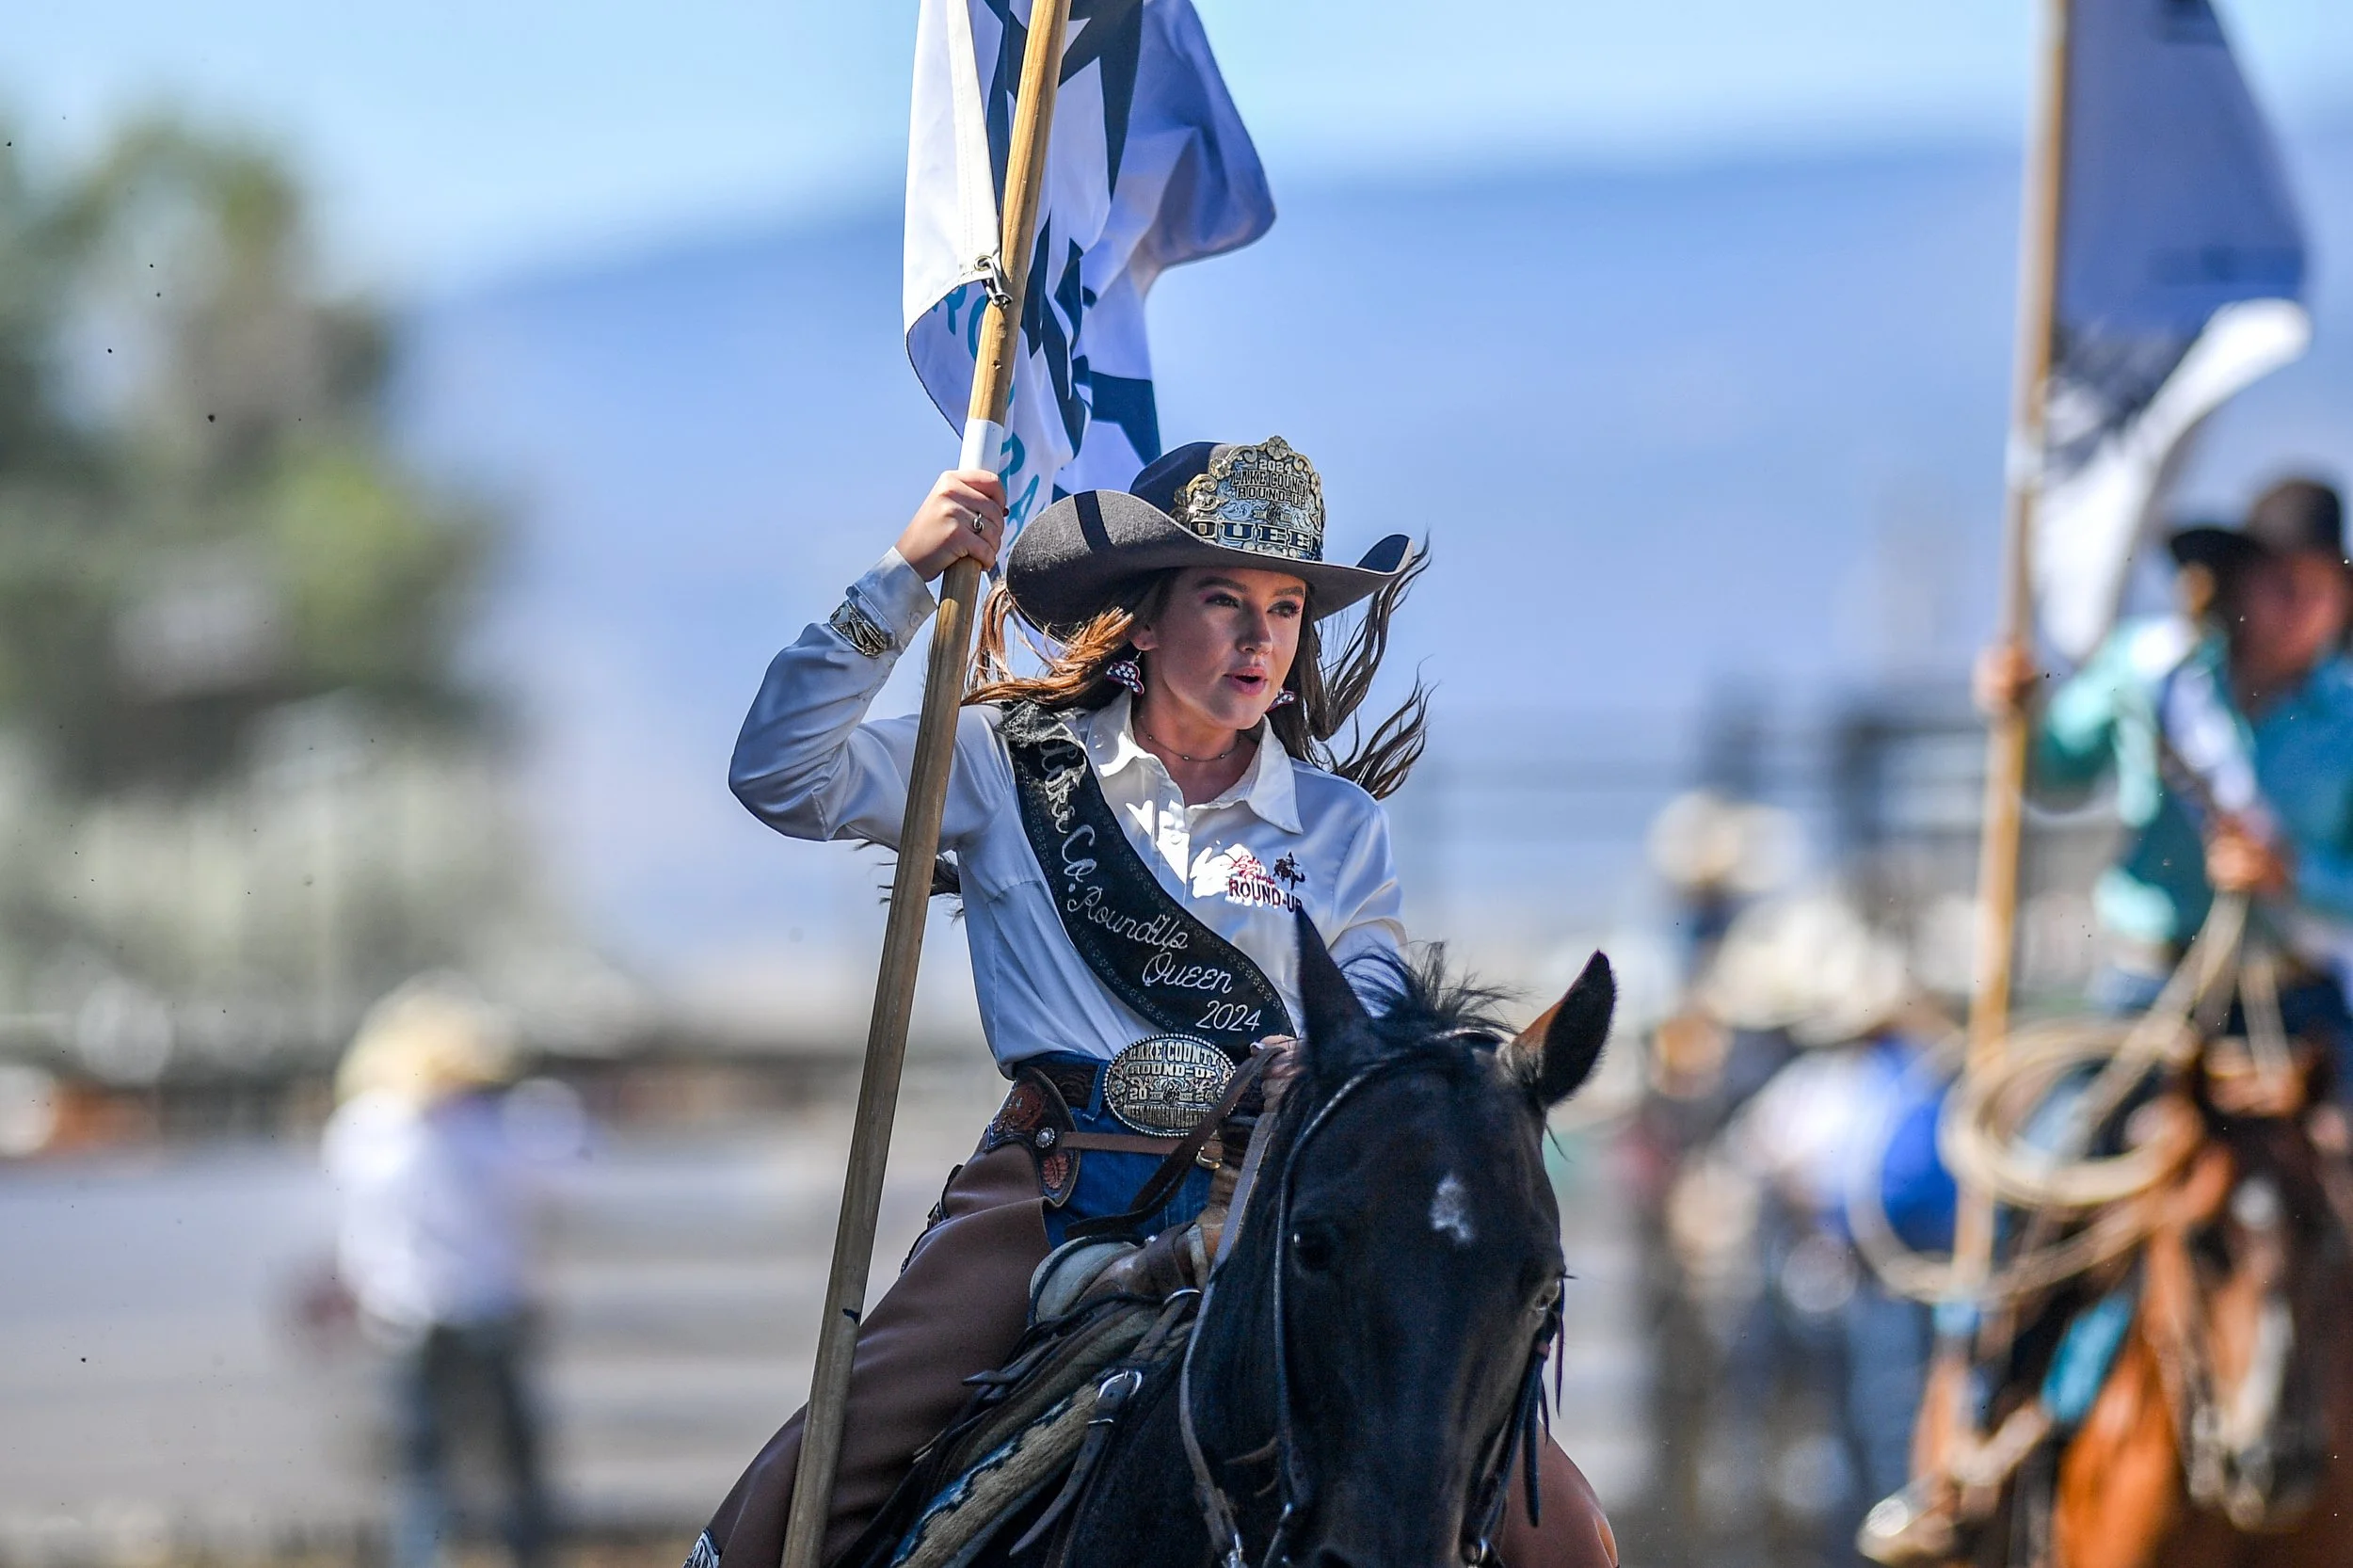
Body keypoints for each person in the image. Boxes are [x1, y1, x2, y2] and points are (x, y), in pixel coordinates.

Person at [696, 438, 1617, 1568]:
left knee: (1559, 1528)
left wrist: (1332, 1065)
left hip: (1277, 1205)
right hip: (1053, 1194)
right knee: (811, 1484)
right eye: (1222, 599)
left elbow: (1371, 1022)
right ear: (1140, 618)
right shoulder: (1004, 762)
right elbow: (780, 774)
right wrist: (902, 574)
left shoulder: (1335, 822)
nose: (1258, 636)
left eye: (1283, 608)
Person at [1977, 475, 2353, 1080]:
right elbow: (2054, 775)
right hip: (2151, 990)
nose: (2303, 607)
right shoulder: (2148, 673)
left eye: (2322, 590)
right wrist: (2021, 712)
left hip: (2297, 998)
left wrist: (2291, 872)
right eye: (2283, 583)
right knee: (2063, 1146)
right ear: (2237, 587)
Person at [322, 976, 583, 1568]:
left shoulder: (366, 1129)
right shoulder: (484, 1128)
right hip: (487, 1306)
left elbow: (360, 1228)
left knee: (424, 1464)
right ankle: (526, 1553)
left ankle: (428, 1556)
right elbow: (556, 1180)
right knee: (510, 1458)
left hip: (405, 1313)